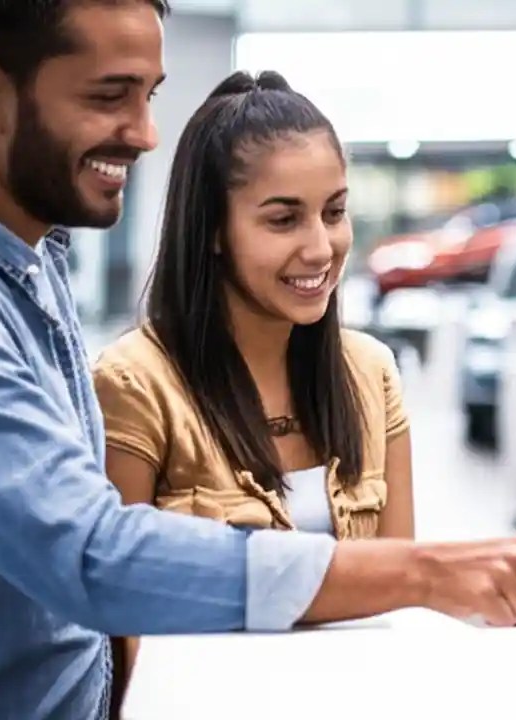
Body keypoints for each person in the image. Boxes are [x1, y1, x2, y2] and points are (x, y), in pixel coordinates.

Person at [0, 1, 516, 717]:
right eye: (108, 95)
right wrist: (421, 571)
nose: (144, 133)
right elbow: (92, 557)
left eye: (149, 95)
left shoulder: (26, 263)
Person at [92, 69, 417, 695]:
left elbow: (401, 589)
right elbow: (119, 633)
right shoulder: (134, 385)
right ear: (214, 229)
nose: (321, 248)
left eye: (335, 212)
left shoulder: (370, 373)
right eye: (283, 219)